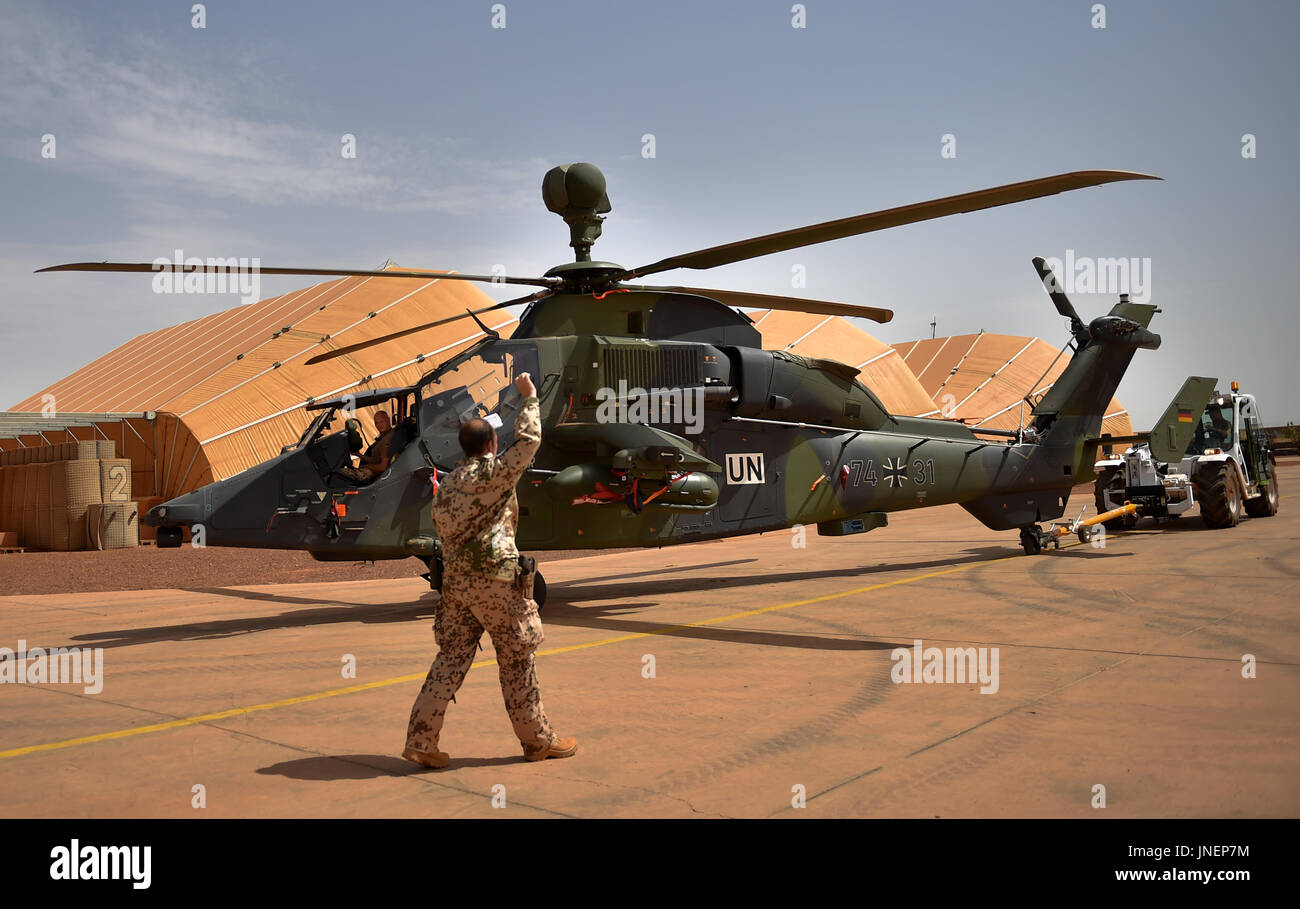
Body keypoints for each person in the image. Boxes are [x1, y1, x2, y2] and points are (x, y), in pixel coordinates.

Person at [403, 372, 577, 768]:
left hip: (457, 587)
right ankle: (538, 741)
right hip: (496, 584)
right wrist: (529, 398)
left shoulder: (447, 485)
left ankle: (421, 741)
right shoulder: (492, 475)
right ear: (491, 444)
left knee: (449, 661)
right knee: (517, 660)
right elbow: (530, 442)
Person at [336, 411, 395, 483]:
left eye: (382, 422)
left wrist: (367, 466)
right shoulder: (386, 435)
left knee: (336, 474)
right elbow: (375, 460)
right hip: (372, 470)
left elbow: (383, 467)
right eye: (377, 423)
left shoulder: (386, 440)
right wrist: (359, 455)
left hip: (374, 475)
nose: (379, 425)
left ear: (388, 420)